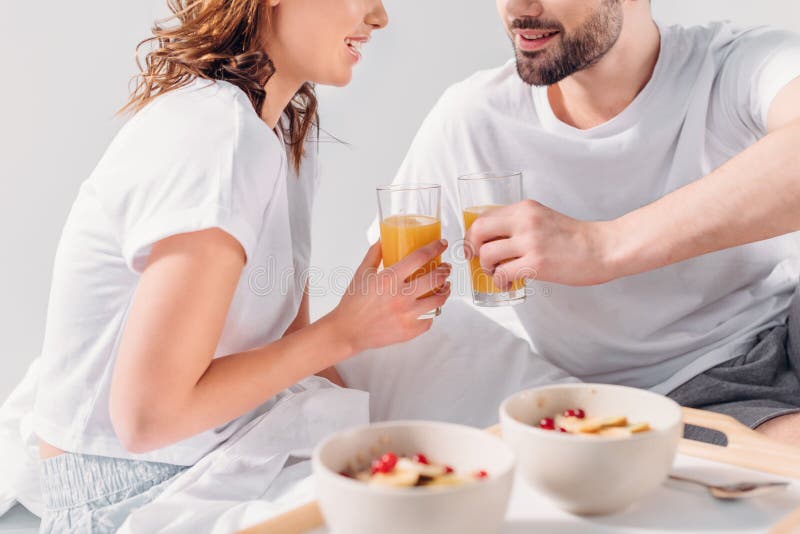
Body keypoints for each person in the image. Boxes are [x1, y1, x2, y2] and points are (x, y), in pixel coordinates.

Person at [33, 0, 452, 531]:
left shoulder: (282, 135)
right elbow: (146, 418)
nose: (379, 16)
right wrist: (347, 331)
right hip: (132, 490)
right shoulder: (214, 134)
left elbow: (290, 343)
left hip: (224, 440)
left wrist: (376, 442)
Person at [389, 0, 800, 445]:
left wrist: (601, 247)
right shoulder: (473, 121)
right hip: (681, 396)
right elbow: (388, 293)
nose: (515, 7)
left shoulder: (736, 64)